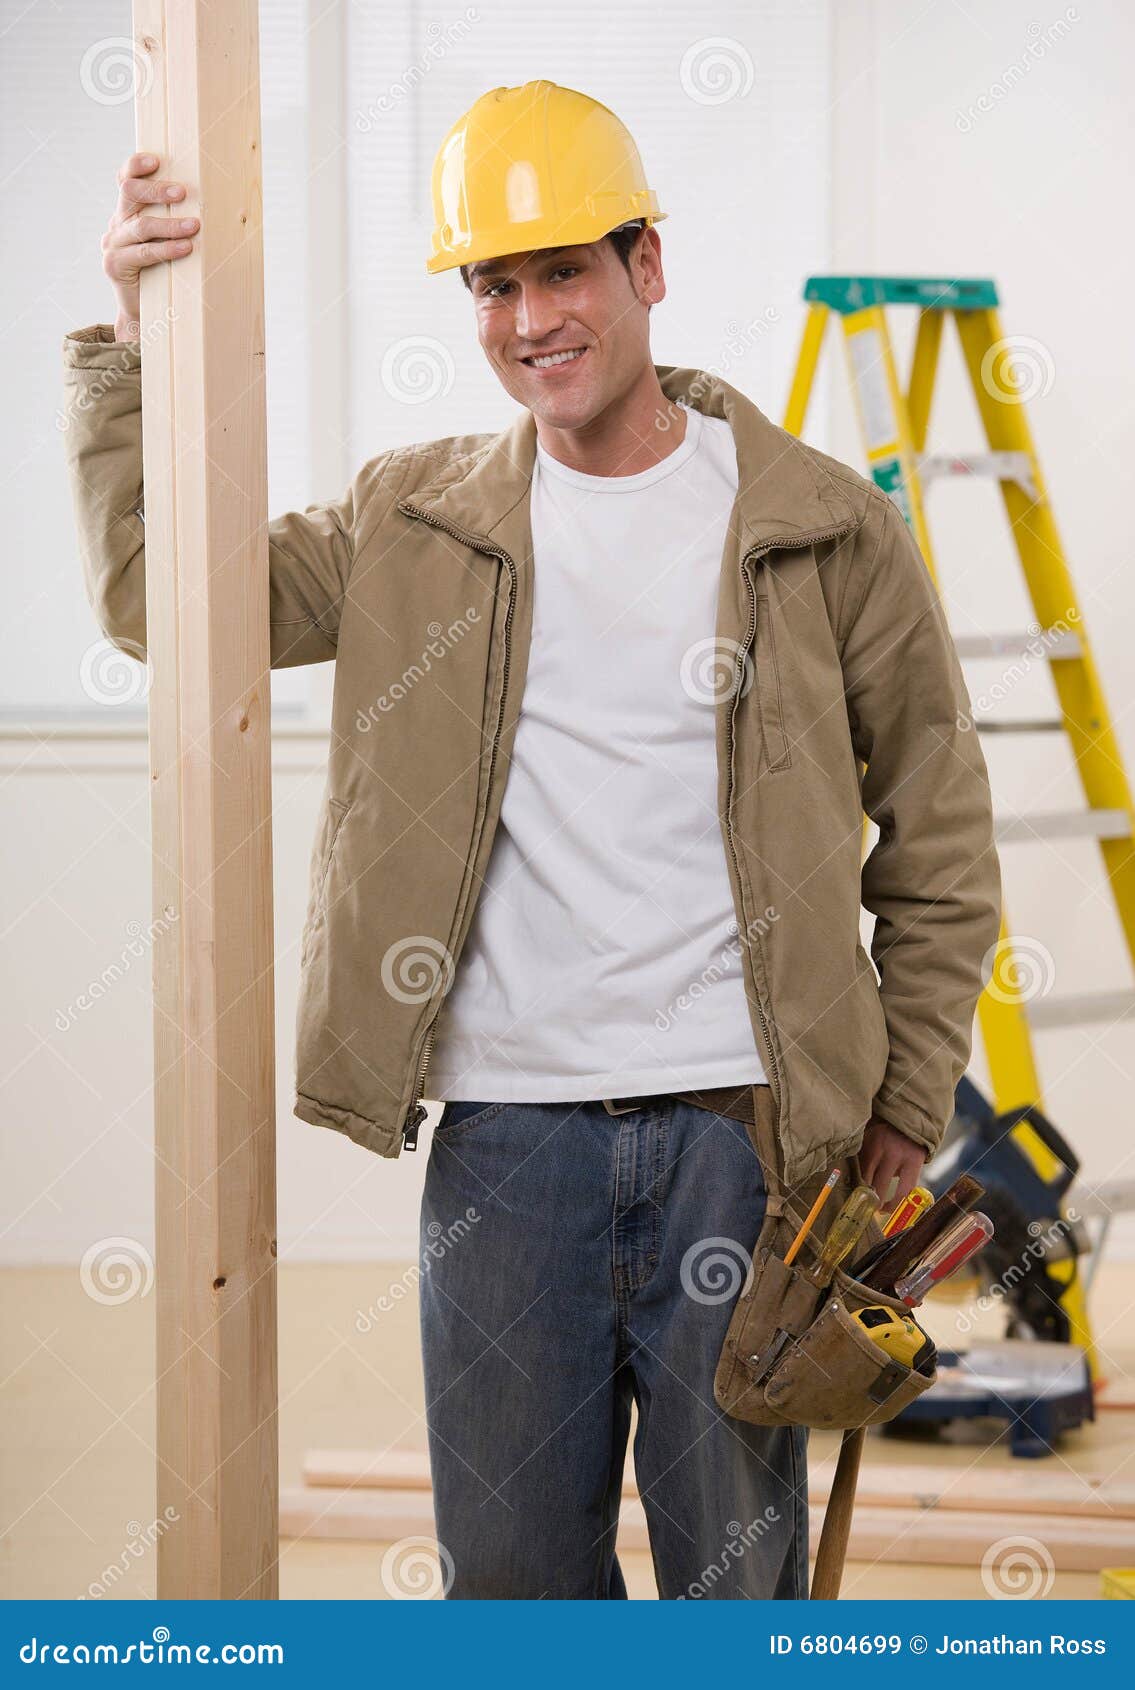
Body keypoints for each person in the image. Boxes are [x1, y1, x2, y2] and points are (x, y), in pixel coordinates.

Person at [63, 80, 1000, 1599]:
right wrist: (126, 342)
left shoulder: (821, 524)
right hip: (506, 1149)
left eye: (563, 267)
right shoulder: (412, 523)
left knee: (734, 1593)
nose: (527, 317)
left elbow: (940, 831)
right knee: (508, 1592)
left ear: (647, 263)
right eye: (493, 282)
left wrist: (902, 1093)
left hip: (740, 1143)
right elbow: (157, 597)